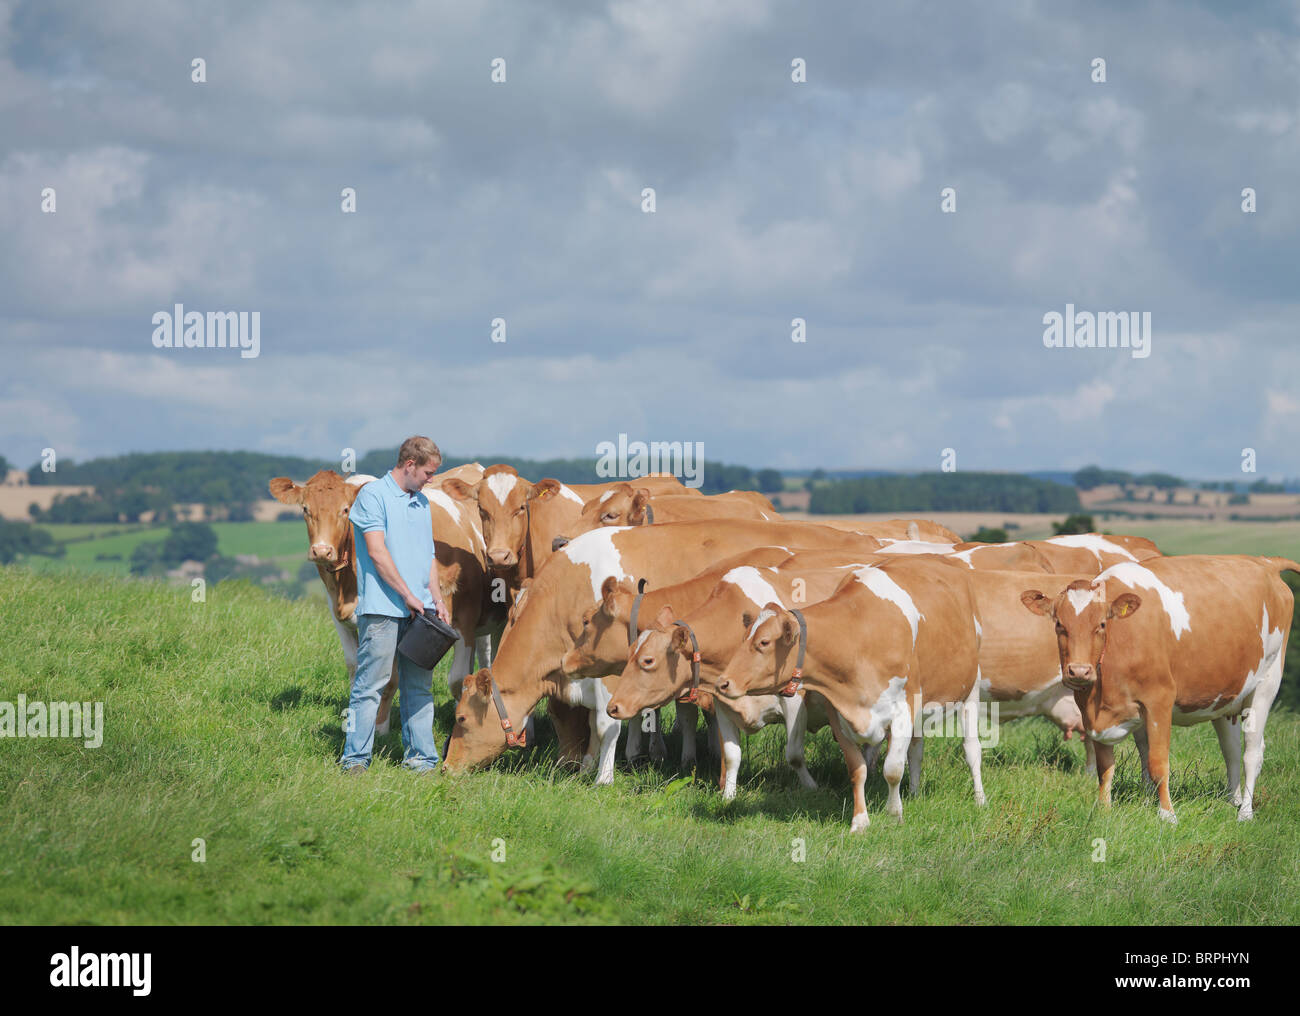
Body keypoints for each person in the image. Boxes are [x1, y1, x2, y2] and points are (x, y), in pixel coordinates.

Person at [340, 436, 452, 773]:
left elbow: (427, 556)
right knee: (370, 686)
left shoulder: (423, 502)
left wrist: (437, 599)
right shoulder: (373, 496)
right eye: (428, 473)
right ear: (409, 465)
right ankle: (355, 760)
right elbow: (376, 552)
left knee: (419, 687)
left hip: (422, 611)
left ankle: (422, 761)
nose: (431, 479)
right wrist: (407, 594)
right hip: (382, 609)